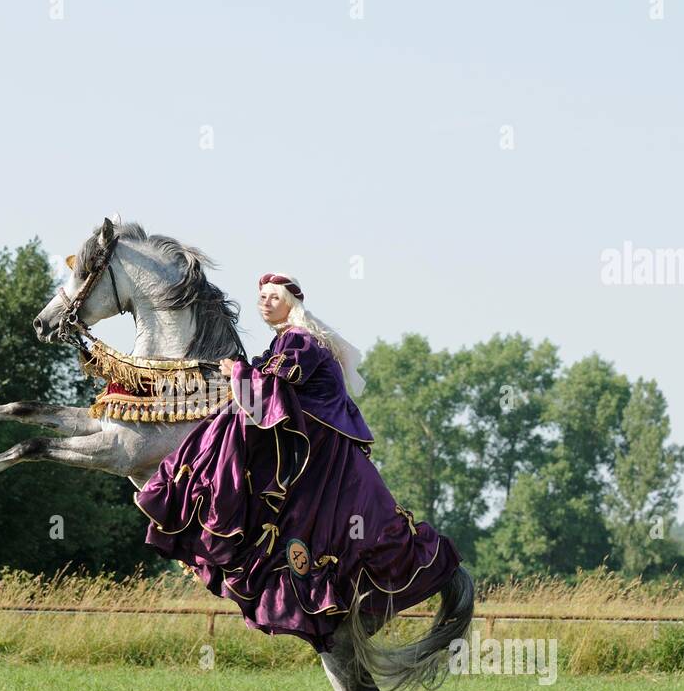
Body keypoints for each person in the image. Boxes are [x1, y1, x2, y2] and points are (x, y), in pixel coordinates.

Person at [134, 272, 462, 654]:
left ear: (293, 302)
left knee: (224, 431)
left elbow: (268, 396)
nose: (265, 303)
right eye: (262, 298)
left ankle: (203, 500)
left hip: (324, 457)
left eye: (274, 297)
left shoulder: (300, 340)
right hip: (316, 455)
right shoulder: (285, 341)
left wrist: (236, 372)